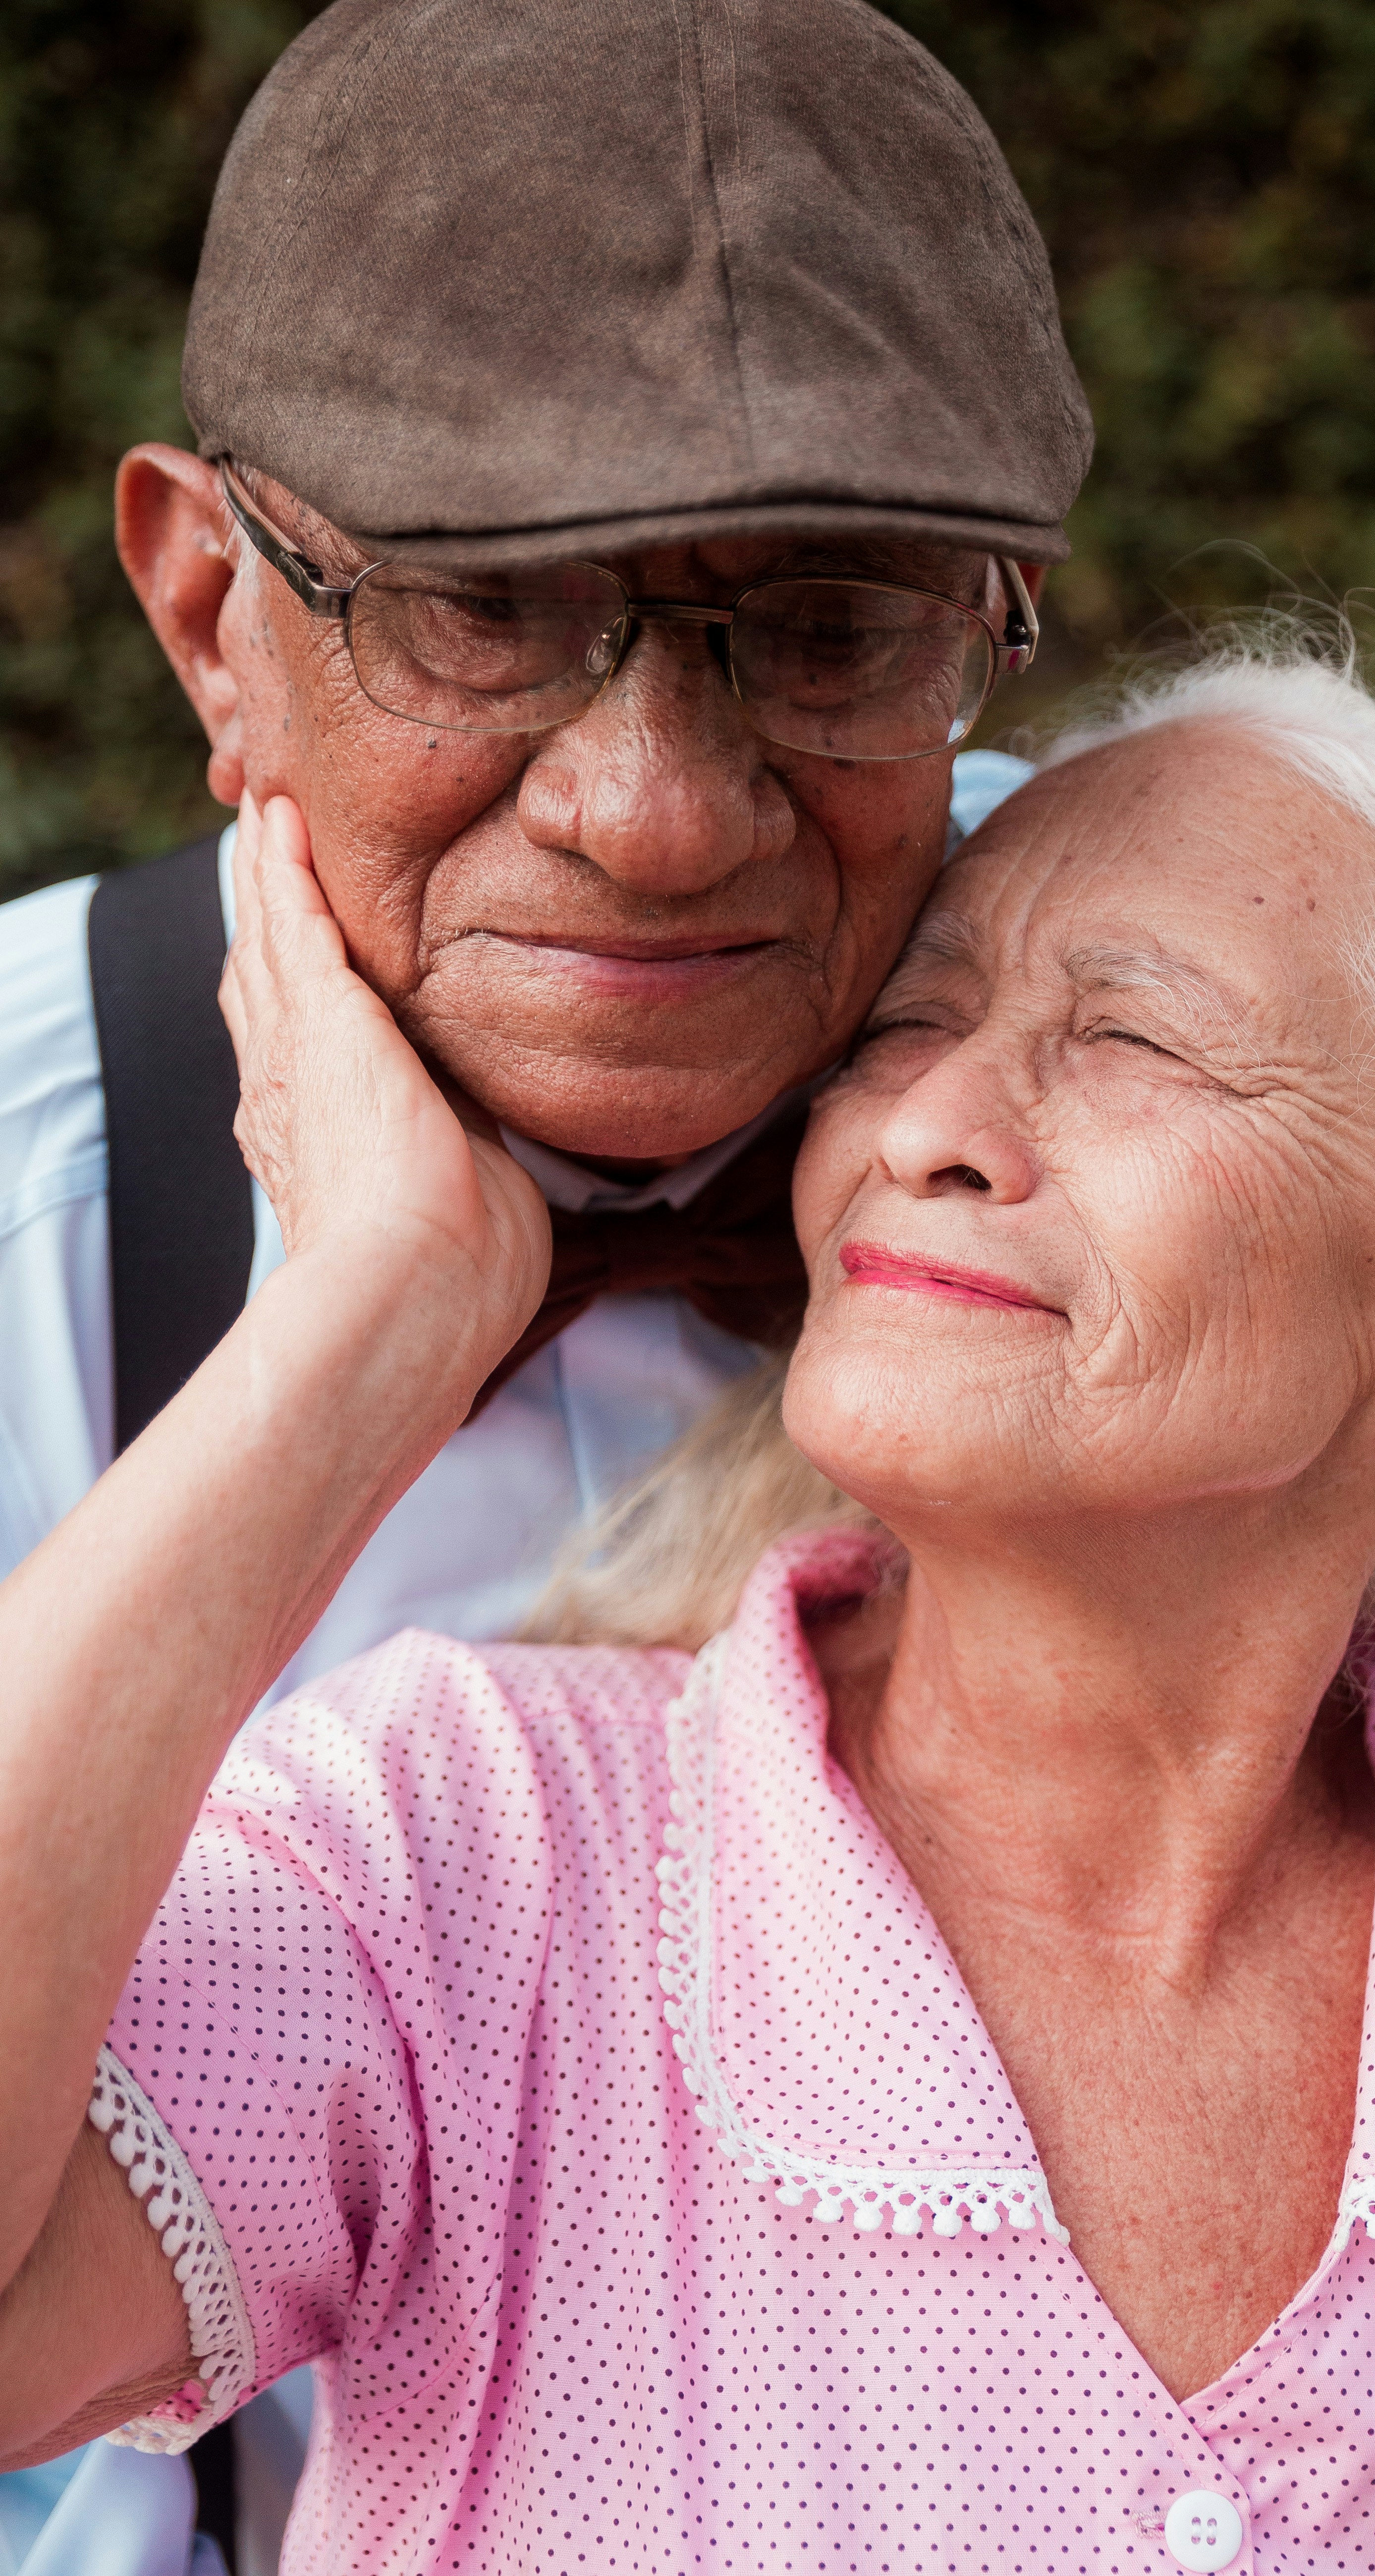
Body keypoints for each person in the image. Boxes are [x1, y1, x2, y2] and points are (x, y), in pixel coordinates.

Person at [0, 625, 1375, 2573]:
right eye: (908, 1022)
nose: (924, 1127)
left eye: (1132, 1040)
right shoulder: (462, 1851)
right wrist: (364, 1313)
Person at [0, 0, 1084, 2555]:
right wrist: (347, 1347)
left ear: (990, 625)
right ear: (210, 613)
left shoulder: (1239, 1081)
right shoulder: (25, 1177)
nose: (659, 812)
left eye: (833, 629)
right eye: (485, 613)